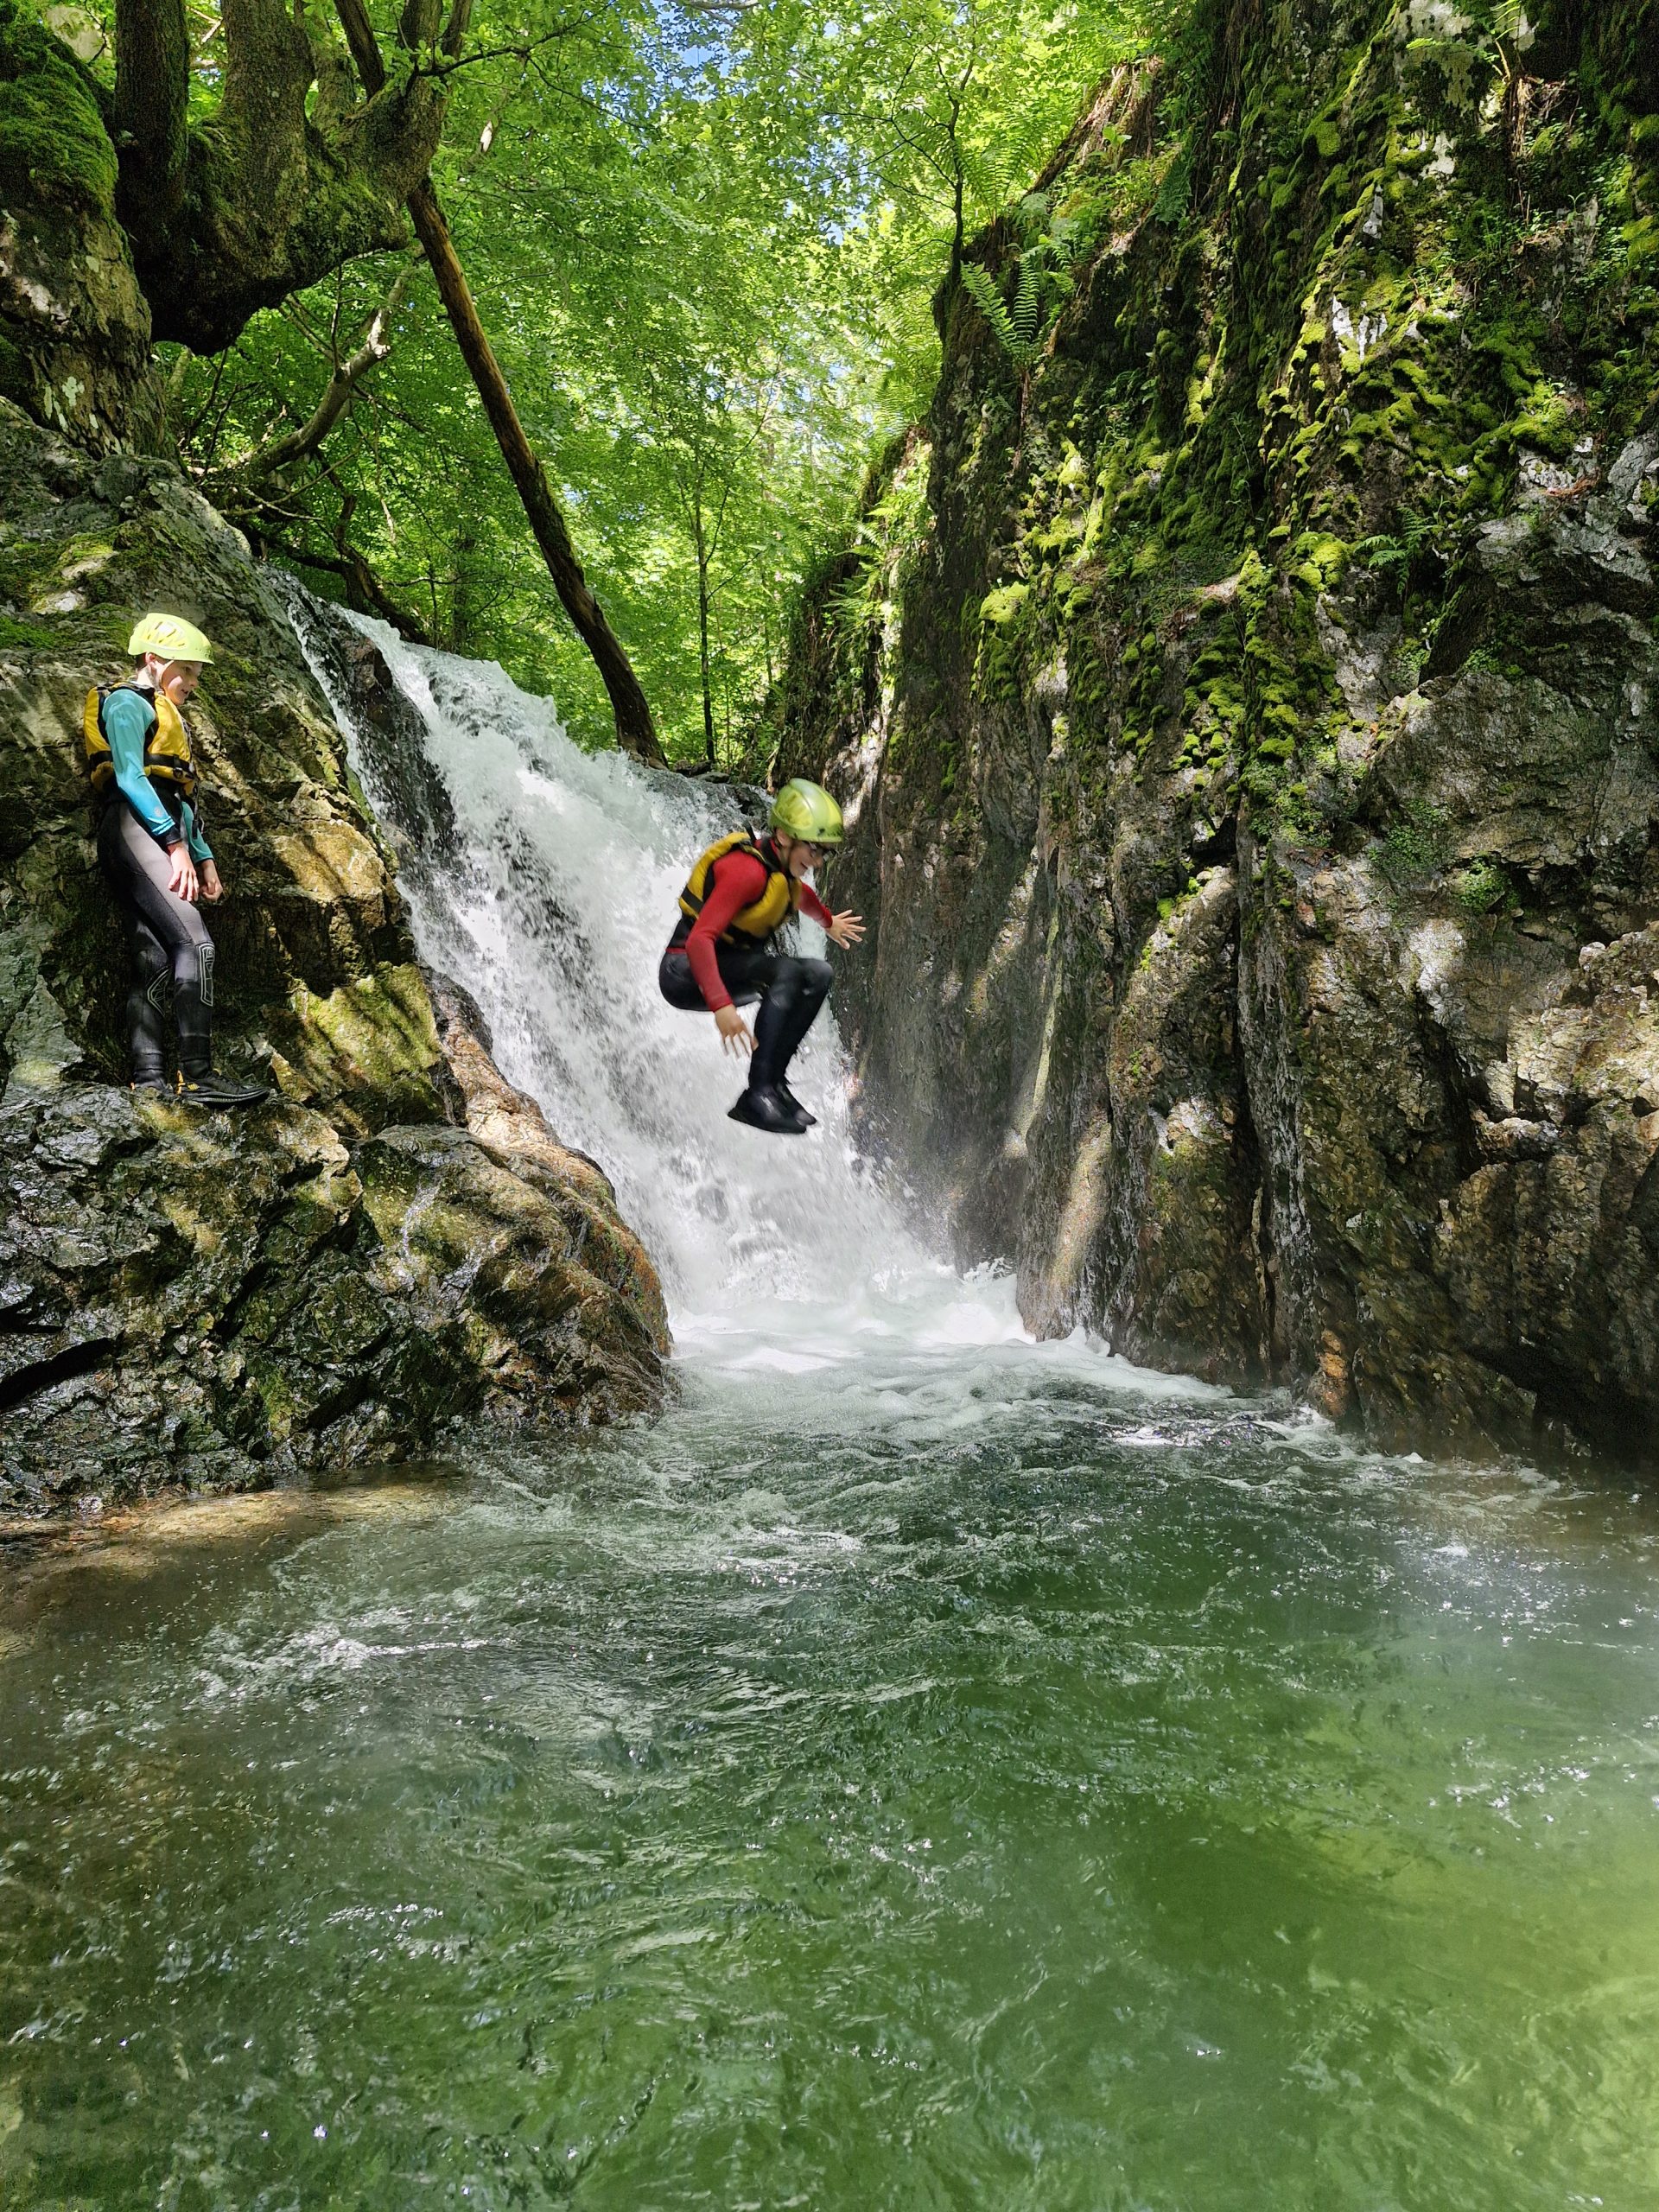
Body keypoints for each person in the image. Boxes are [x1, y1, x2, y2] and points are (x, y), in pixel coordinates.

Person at [86, 613, 268, 1108]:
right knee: (197, 945)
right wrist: (175, 847)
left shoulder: (164, 710)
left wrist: (203, 858)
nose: (190, 682)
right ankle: (199, 1075)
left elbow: (178, 797)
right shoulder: (127, 702)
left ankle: (148, 1078)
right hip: (134, 829)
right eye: (184, 671)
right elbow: (130, 776)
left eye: (196, 674)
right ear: (153, 660)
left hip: (157, 829)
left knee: (155, 957)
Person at [659, 779, 865, 1135]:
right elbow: (698, 941)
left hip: (725, 968)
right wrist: (722, 1006)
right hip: (685, 973)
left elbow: (801, 898)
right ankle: (757, 1094)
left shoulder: (780, 874)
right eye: (813, 850)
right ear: (783, 837)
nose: (816, 862)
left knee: (819, 973)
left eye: (822, 854)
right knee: (786, 971)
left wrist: (829, 922)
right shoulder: (745, 871)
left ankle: (773, 1083)